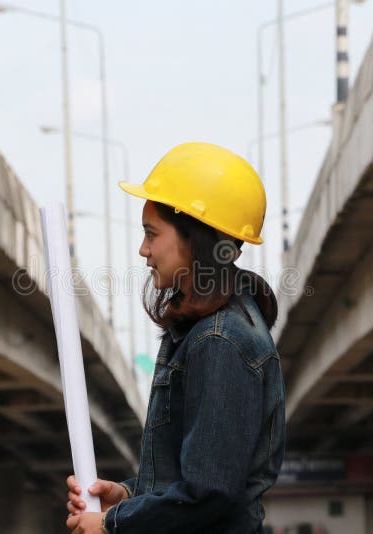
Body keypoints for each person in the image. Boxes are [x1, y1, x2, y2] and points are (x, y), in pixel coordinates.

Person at [65, 142, 285, 534]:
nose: (143, 249)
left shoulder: (220, 341)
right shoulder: (209, 330)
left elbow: (209, 494)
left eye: (152, 233)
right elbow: (191, 479)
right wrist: (127, 495)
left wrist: (112, 523)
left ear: (196, 240)